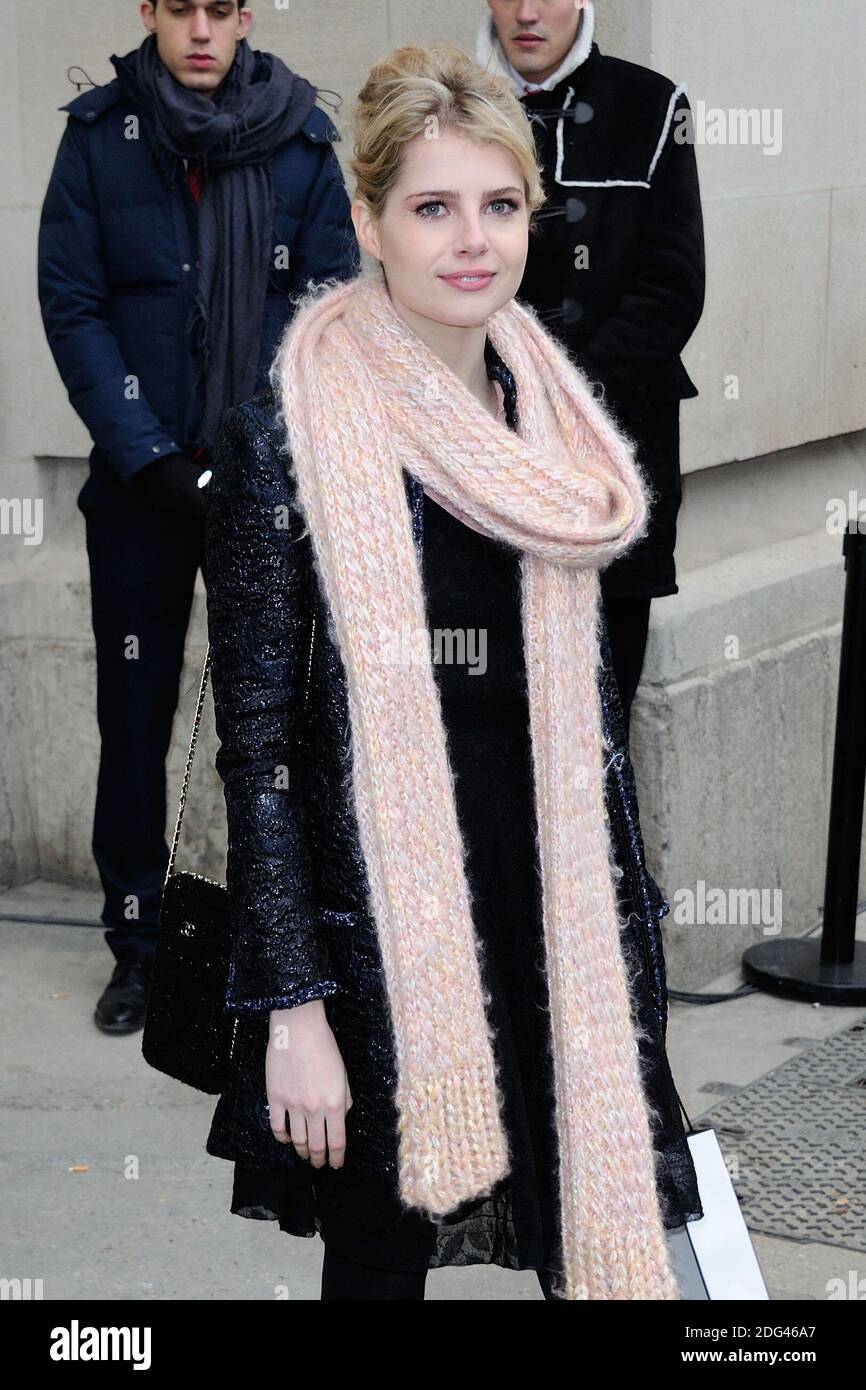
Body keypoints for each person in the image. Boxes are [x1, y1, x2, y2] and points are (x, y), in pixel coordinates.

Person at [202, 42, 702, 1301]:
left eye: (499, 204)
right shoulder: (286, 436)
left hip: (555, 913)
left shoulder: (557, 427)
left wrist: (629, 935)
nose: (472, 241)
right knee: (379, 1262)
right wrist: (292, 1007)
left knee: (590, 1234)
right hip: (377, 931)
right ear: (369, 221)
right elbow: (256, 750)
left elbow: (589, 730)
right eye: (432, 206)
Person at [37, 0, 359, 1034]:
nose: (203, 29)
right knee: (133, 720)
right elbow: (73, 304)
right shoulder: (101, 137)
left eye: (220, 8)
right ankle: (138, 945)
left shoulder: (300, 139)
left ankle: (274, 947)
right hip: (140, 490)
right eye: (182, 8)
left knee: (269, 724)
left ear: (245, 15)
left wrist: (251, 451)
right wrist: (149, 455)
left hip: (262, 485)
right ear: (150, 13)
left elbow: (327, 310)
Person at [477, 0, 706, 734]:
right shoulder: (449, 103)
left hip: (615, 452)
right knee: (490, 722)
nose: (527, 12)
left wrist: (562, 396)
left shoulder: (651, 104)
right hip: (482, 450)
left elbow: (672, 287)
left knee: (601, 719)